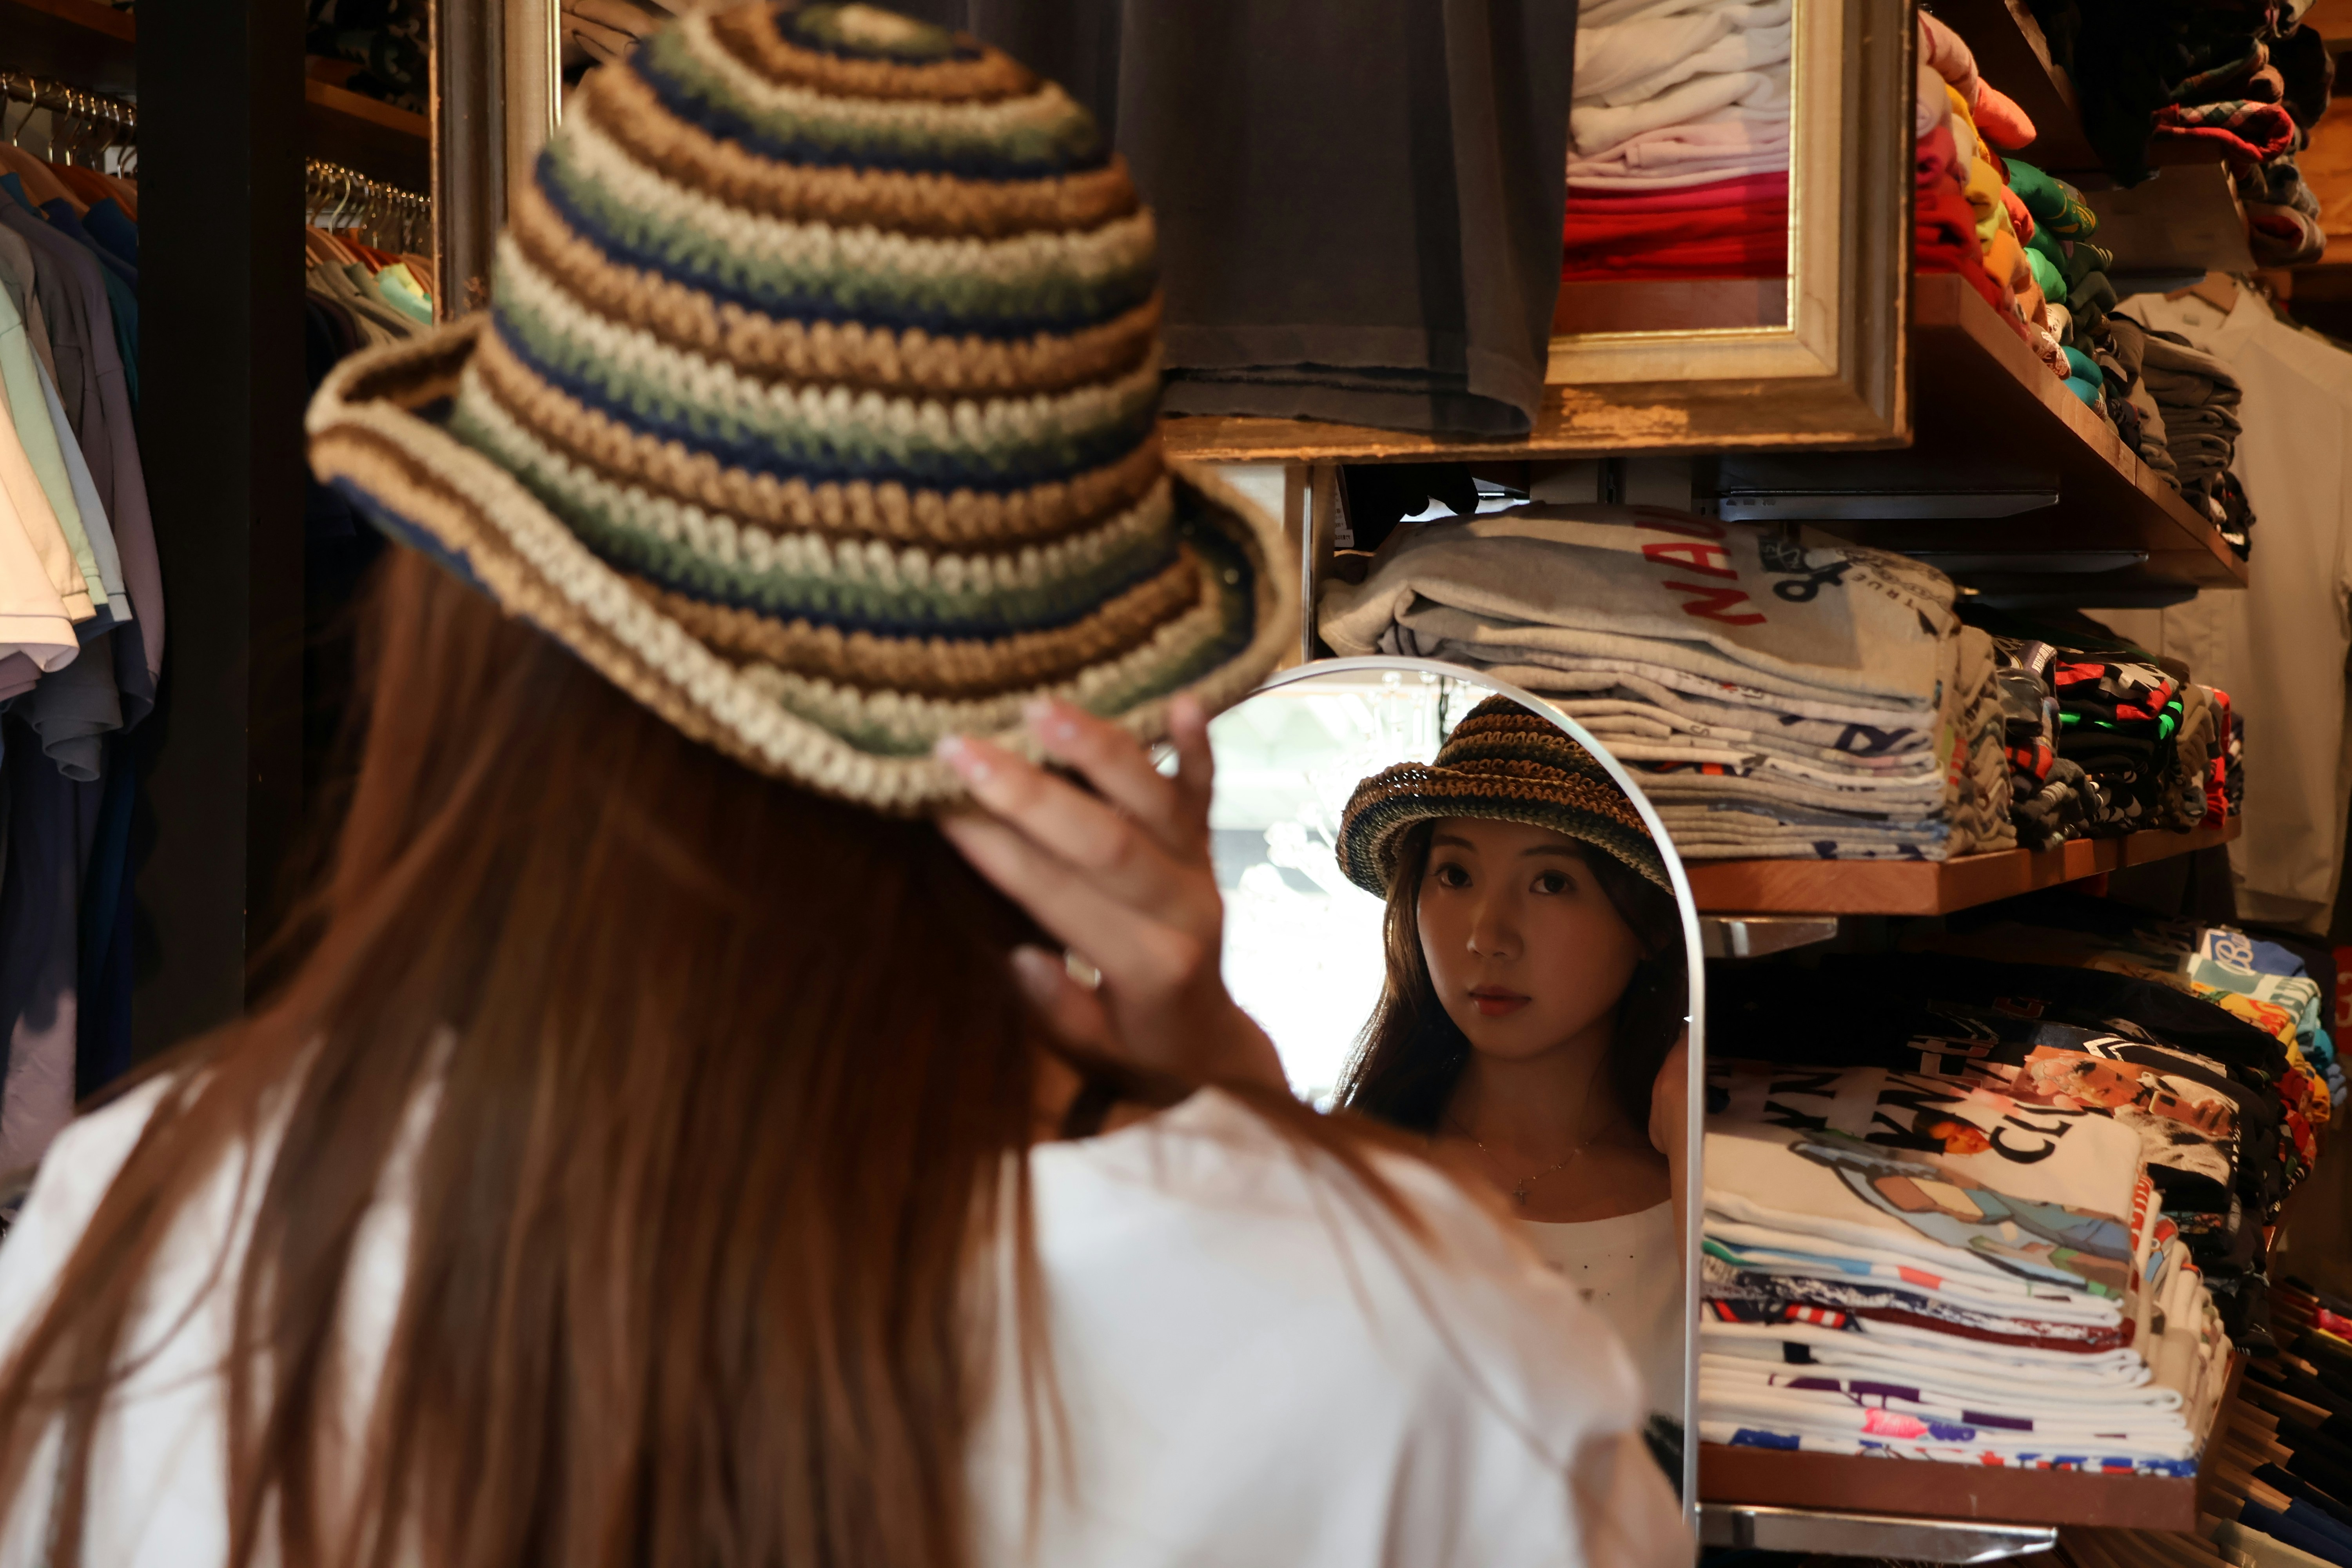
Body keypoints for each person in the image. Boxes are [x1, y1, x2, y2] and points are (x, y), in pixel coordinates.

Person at [0, 6, 1686, 1566]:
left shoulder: (156, 1228)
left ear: (465, 628)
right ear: (1081, 719)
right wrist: (1228, 1093)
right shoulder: (1402, 1342)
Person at [1334, 697, 1692, 1428]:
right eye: (1455, 876)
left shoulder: (1699, 1193)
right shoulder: (1341, 1176)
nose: (1487, 936)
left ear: (1651, 923)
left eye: (1551, 882)